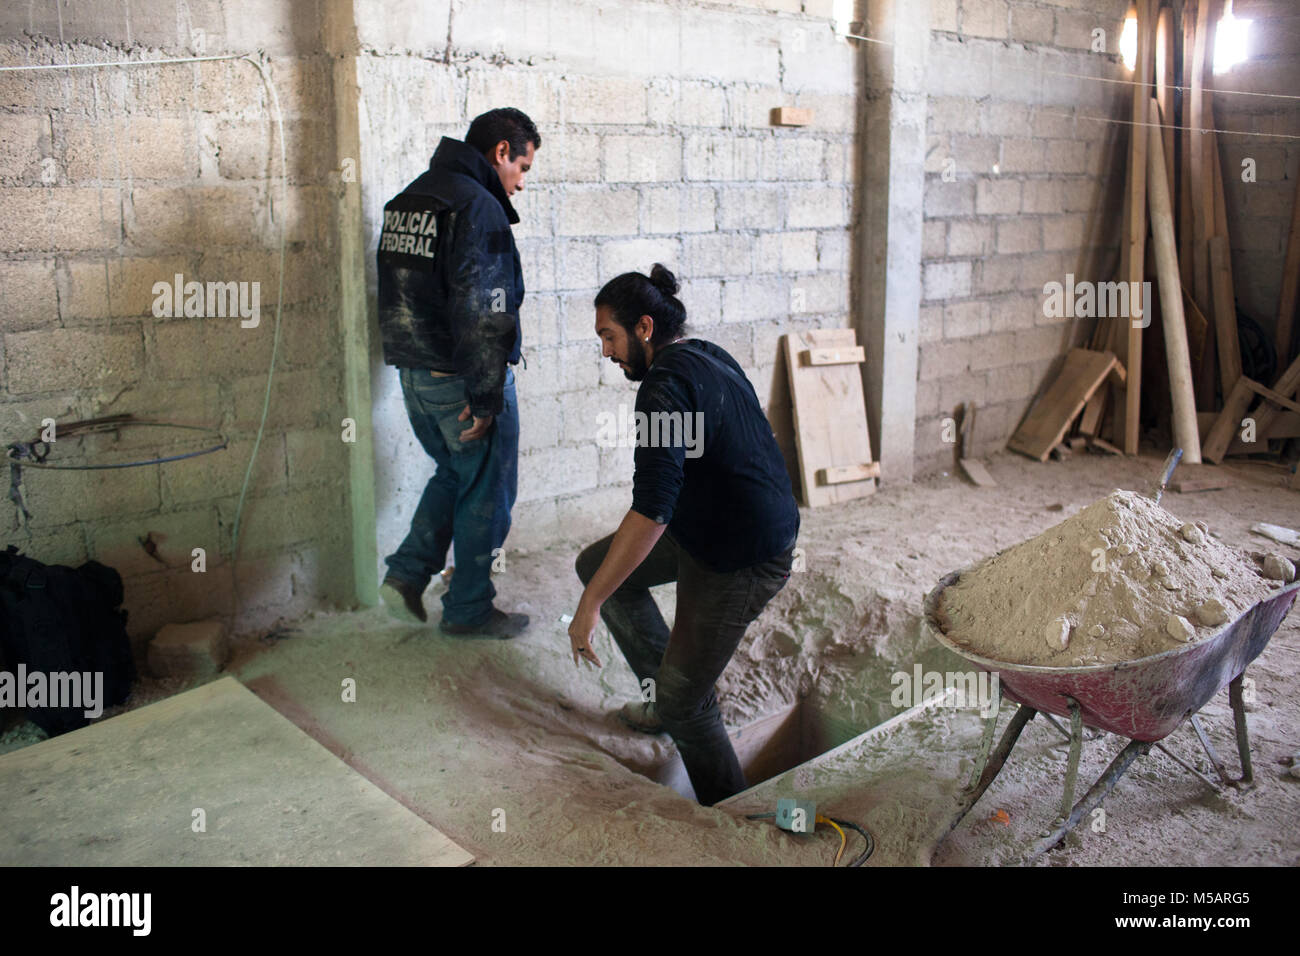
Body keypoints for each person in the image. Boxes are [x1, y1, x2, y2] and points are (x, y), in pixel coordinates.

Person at [570, 264, 800, 805]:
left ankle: (732, 812)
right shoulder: (705, 353)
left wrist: (589, 606)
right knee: (595, 566)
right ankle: (664, 697)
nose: (606, 351)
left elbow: (650, 512)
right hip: (711, 524)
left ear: (644, 327)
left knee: (686, 702)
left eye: (609, 336)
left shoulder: (664, 388)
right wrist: (598, 586)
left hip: (743, 554)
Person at [377, 108, 539, 638]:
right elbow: (484, 308)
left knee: (455, 474)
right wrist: (486, 395)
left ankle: (405, 574)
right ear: (501, 153)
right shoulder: (479, 206)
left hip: (414, 375)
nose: (520, 183)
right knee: (488, 489)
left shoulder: (410, 197)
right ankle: (469, 609)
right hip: (461, 378)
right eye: (523, 167)